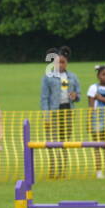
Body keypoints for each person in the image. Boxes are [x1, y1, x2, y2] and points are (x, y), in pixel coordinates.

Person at [39, 48, 80, 178]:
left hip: (67, 110)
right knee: (52, 141)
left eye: (62, 62)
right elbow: (44, 98)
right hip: (53, 112)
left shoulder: (73, 77)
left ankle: (63, 169)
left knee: (65, 141)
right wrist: (46, 116)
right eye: (57, 62)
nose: (60, 65)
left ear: (66, 62)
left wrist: (75, 96)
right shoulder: (47, 77)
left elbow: (79, 94)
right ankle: (53, 168)